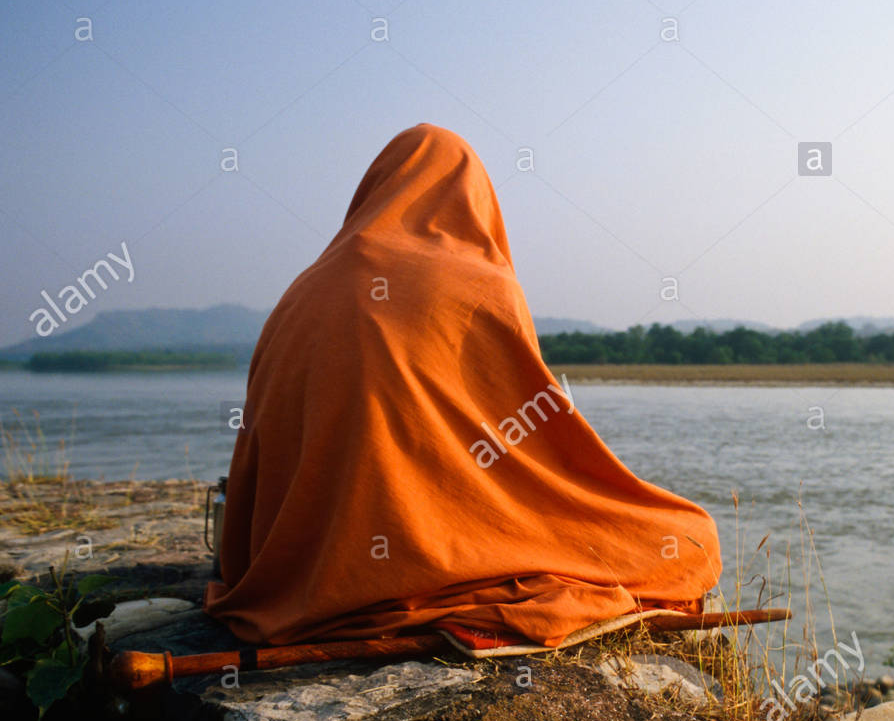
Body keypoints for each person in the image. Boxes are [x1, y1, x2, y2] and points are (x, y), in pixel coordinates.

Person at [204, 124, 721, 649]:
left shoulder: (299, 294)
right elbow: (533, 436)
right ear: (475, 198)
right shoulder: (480, 283)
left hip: (303, 573)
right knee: (687, 536)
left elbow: (254, 459)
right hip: (421, 555)